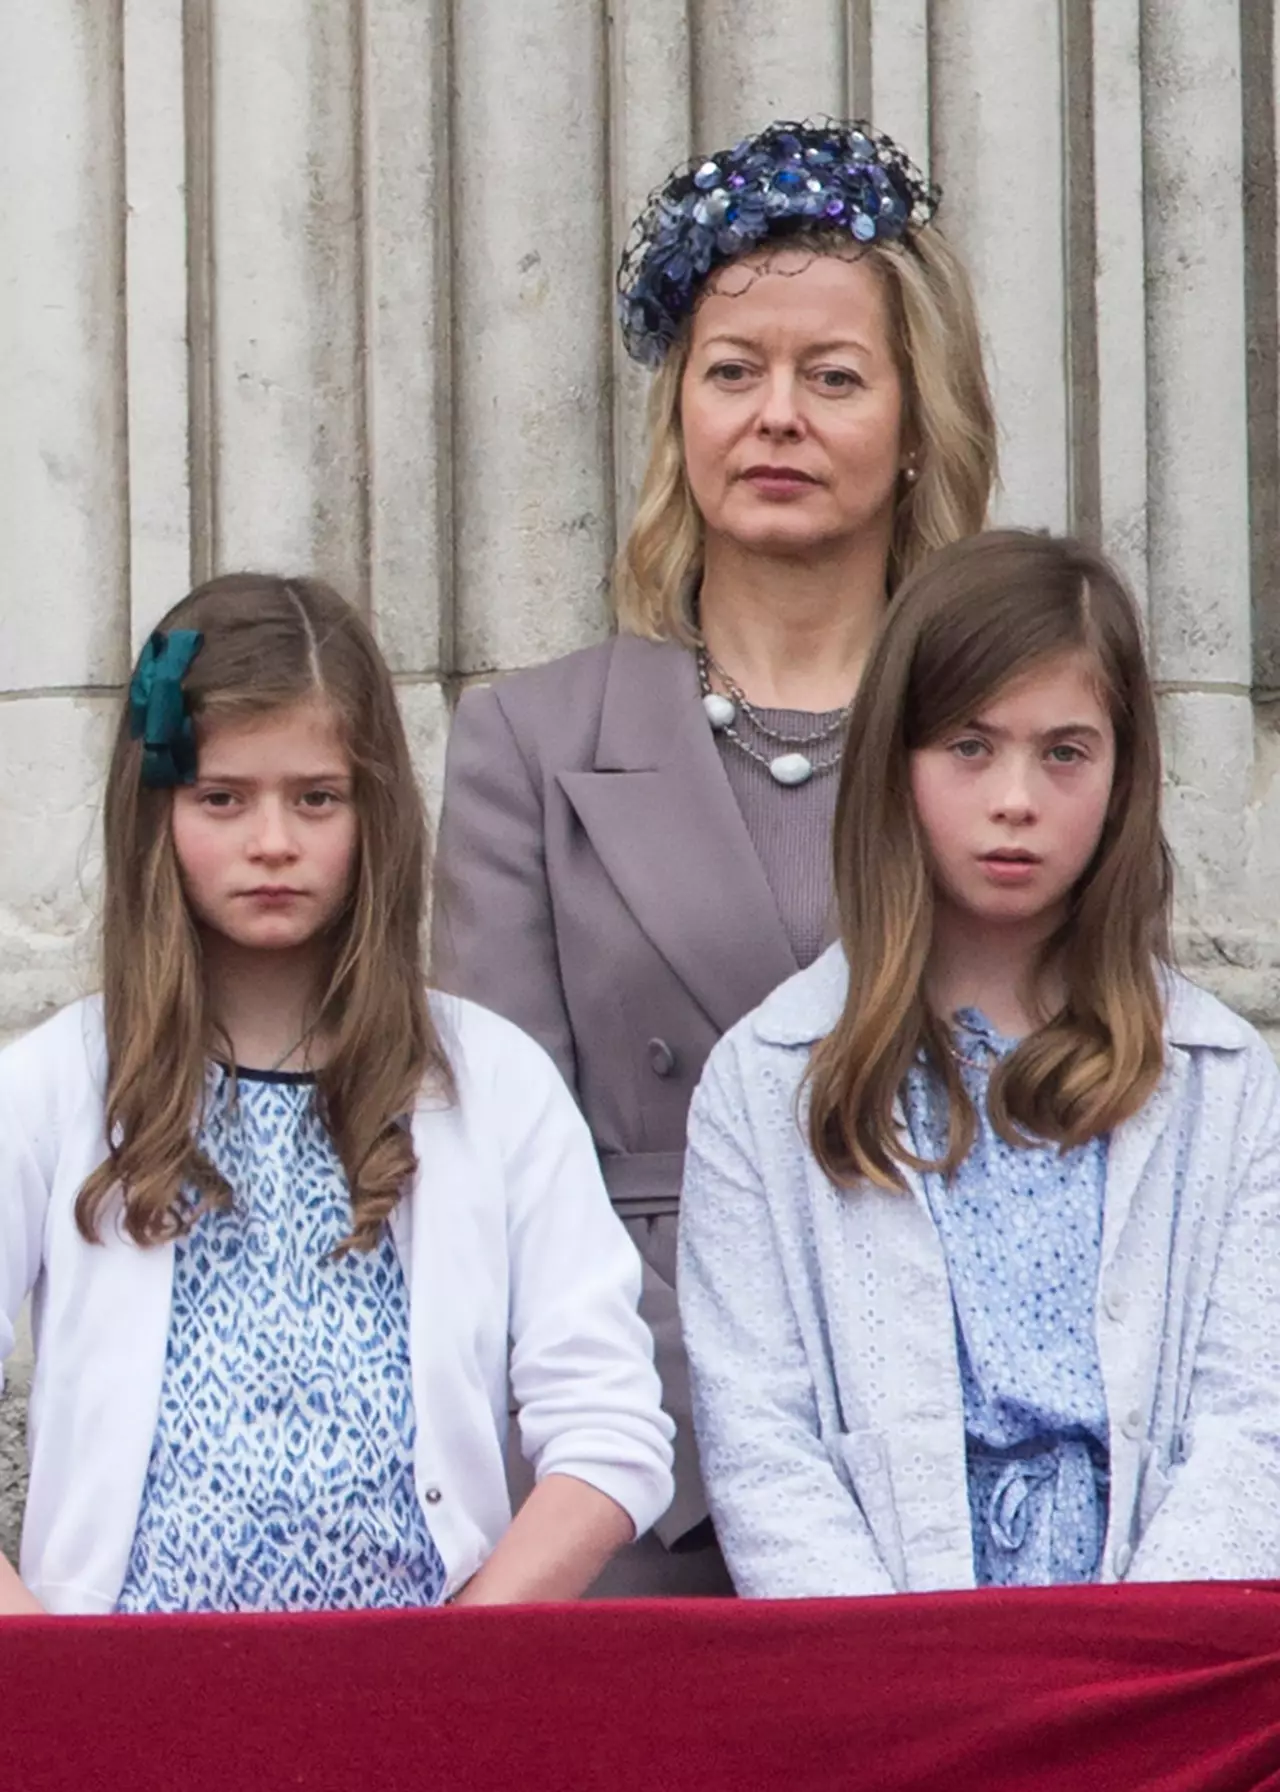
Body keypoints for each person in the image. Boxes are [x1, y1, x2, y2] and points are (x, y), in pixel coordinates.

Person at [431, 118, 997, 1594]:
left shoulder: (1017, 740)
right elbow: (496, 1157)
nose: (776, 417)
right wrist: (691, 1440)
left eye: (834, 376)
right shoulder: (528, 744)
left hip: (967, 1445)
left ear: (920, 420)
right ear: (679, 416)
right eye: (732, 372)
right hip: (637, 1465)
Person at [0, 574, 673, 1616]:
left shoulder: (489, 1083)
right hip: (121, 1712)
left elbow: (610, 1423)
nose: (273, 841)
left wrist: (464, 1657)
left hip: (422, 1711)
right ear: (155, 811)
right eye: (222, 798)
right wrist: (42, 1664)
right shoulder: (52, 1086)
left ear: (376, 810)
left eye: (316, 797)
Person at [677, 527, 1280, 1598]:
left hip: (1160, 1671)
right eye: (967, 747)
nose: (1014, 798)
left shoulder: (1222, 1082)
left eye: (1062, 753)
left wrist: (1132, 1660)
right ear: (894, 766)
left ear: (1120, 772)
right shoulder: (768, 1077)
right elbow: (762, 1445)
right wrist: (904, 1680)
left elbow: (1251, 1419)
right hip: (886, 1676)